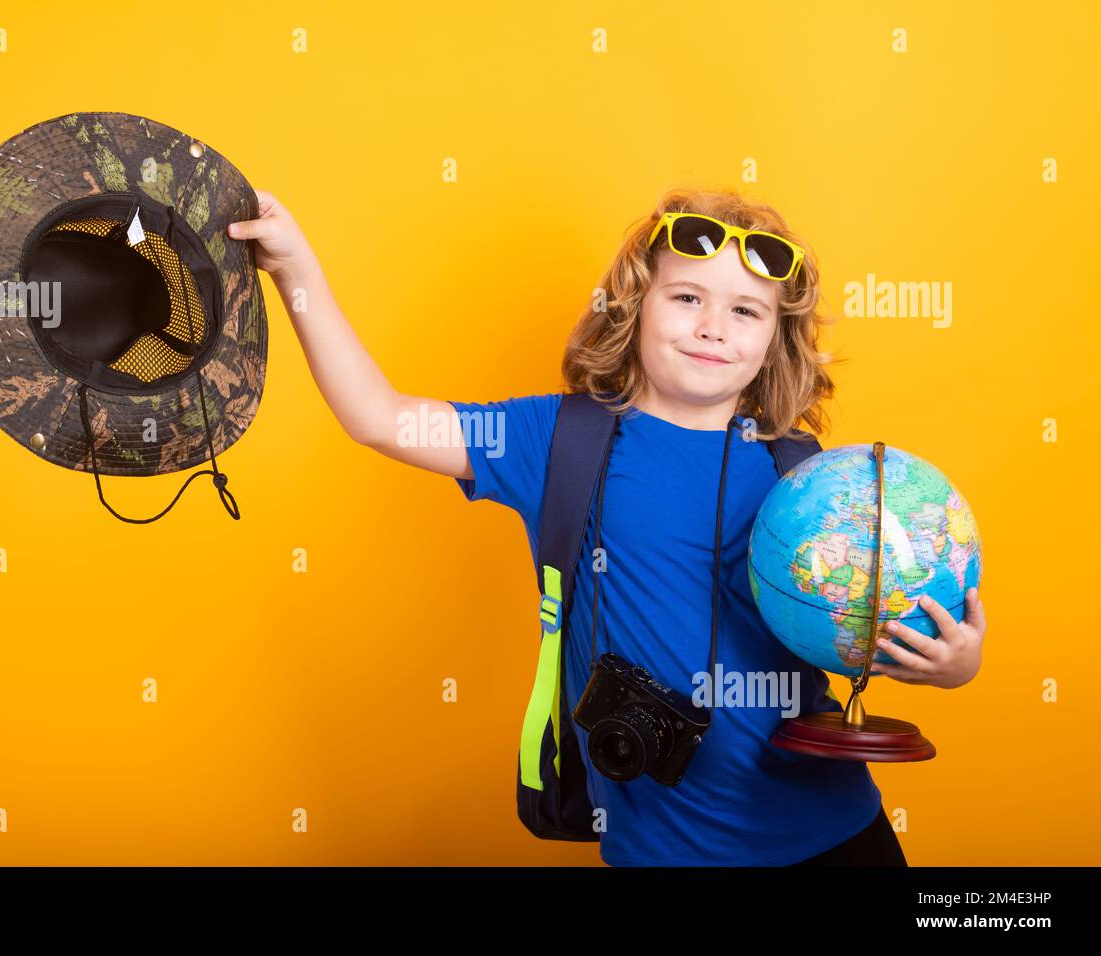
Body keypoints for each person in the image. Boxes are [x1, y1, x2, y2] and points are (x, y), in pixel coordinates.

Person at [226, 187, 988, 866]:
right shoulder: (558, 440)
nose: (713, 327)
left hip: (834, 835)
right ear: (632, 307)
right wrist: (295, 270)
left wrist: (952, 665)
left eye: (746, 310)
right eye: (686, 298)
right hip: (661, 848)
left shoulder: (807, 474)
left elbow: (851, 623)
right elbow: (379, 418)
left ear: (771, 342)